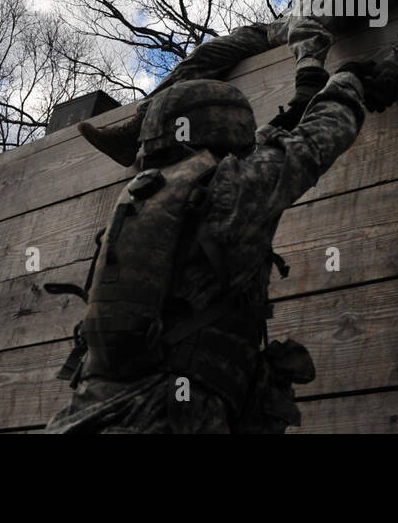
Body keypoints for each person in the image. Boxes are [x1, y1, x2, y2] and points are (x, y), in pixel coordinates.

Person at [45, 67, 373, 433]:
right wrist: (348, 81)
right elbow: (316, 143)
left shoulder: (148, 194)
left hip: (91, 413)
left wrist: (281, 123)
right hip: (167, 415)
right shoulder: (226, 188)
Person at [78, 0, 398, 165]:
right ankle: (139, 125)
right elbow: (307, 24)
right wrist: (309, 81)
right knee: (208, 55)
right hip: (274, 36)